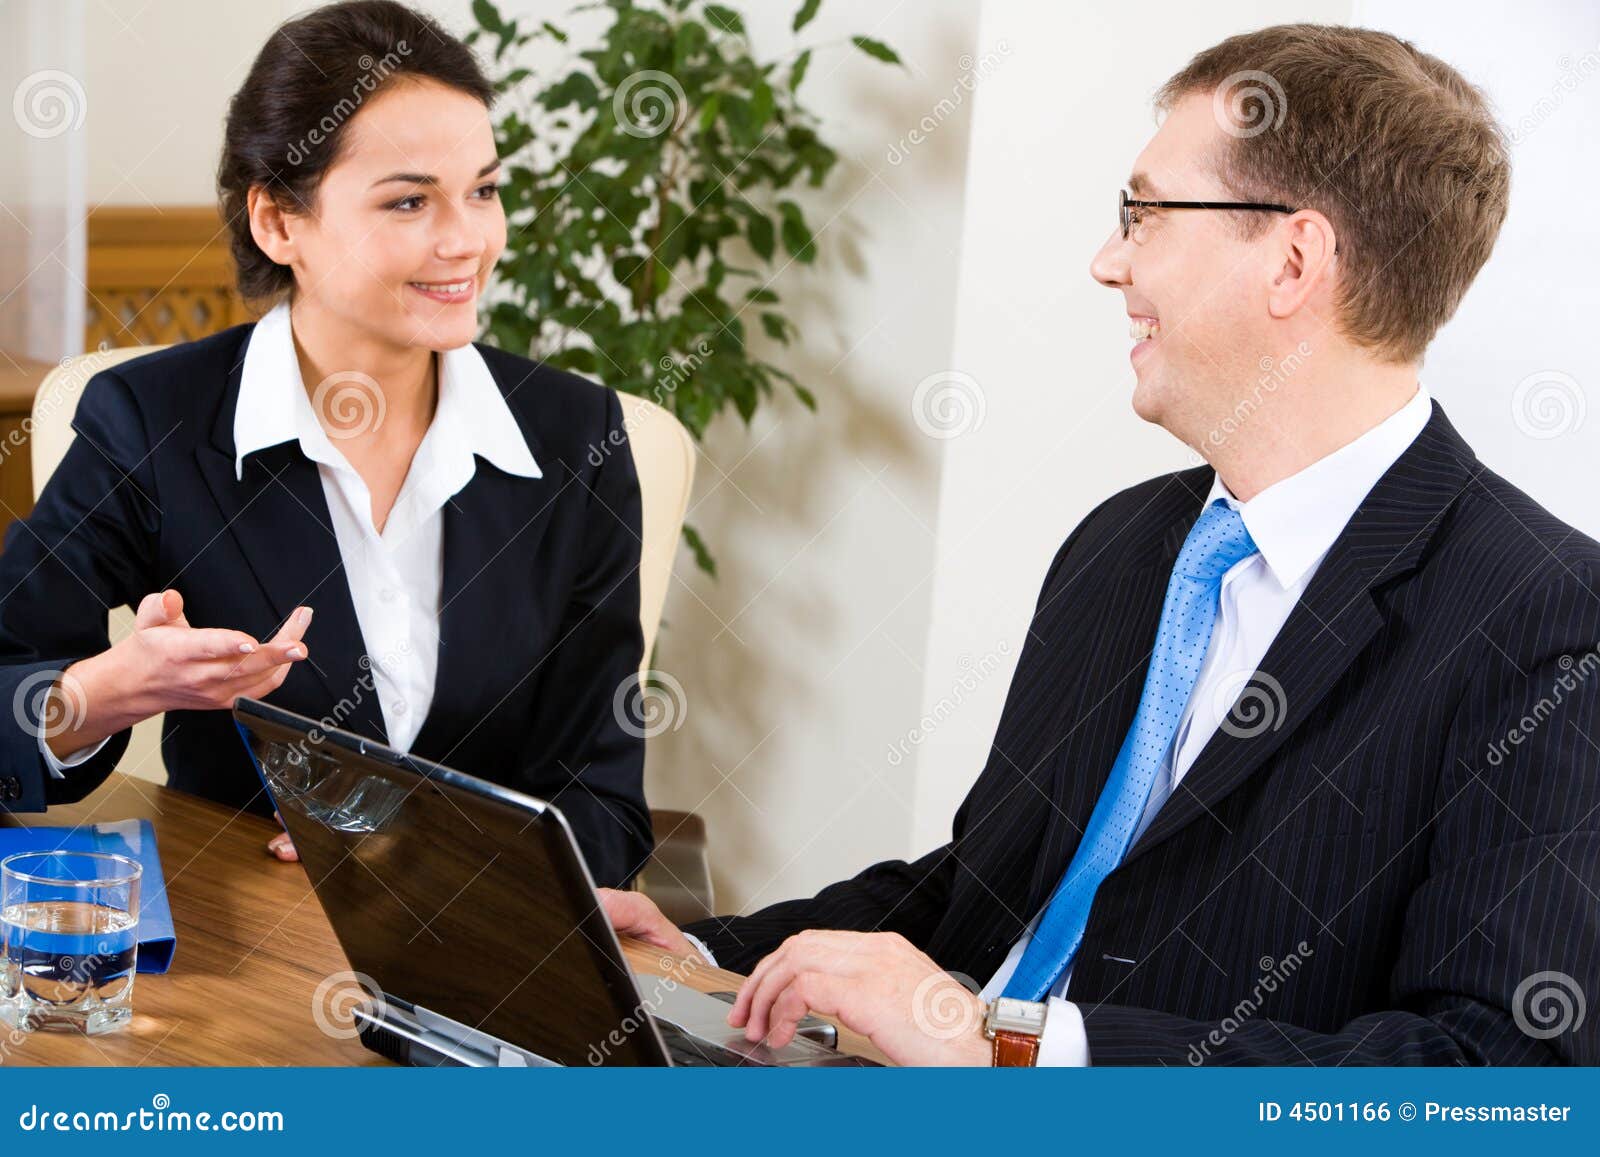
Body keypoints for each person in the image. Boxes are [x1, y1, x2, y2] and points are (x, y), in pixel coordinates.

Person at [601, 24, 1600, 1065]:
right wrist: (704, 950)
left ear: (1294, 258)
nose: (1108, 260)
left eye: (1146, 214)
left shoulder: (1550, 622)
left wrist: (1023, 1048)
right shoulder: (1125, 544)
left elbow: (1497, 1075)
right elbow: (991, 885)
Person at [0, 0, 653, 888]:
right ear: (277, 223)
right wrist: (98, 696)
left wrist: (430, 856)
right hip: (241, 959)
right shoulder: (153, 421)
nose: (468, 240)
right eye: (410, 200)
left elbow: (603, 799)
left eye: (485, 190)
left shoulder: (577, 438)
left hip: (487, 956)